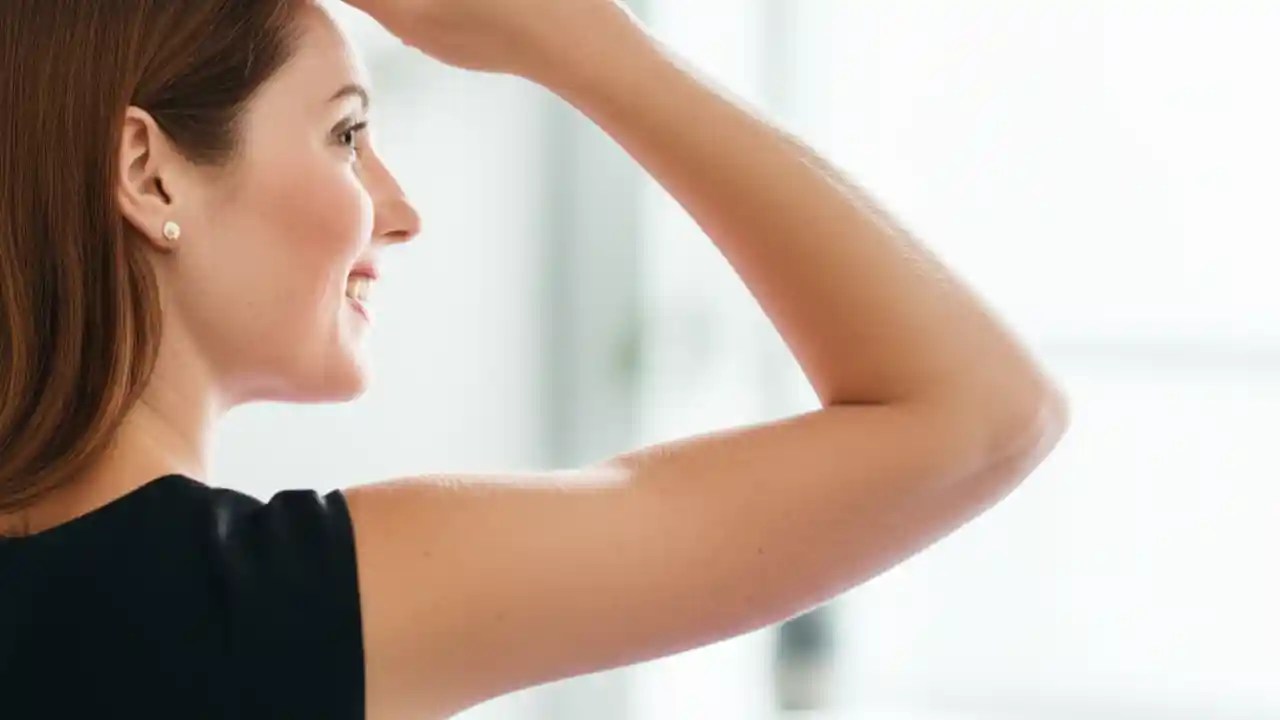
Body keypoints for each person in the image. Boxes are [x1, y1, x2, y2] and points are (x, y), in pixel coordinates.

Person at [0, 0, 1070, 718]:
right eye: (344, 134)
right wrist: (571, 37)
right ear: (148, 172)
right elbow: (977, 414)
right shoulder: (245, 612)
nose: (399, 211)